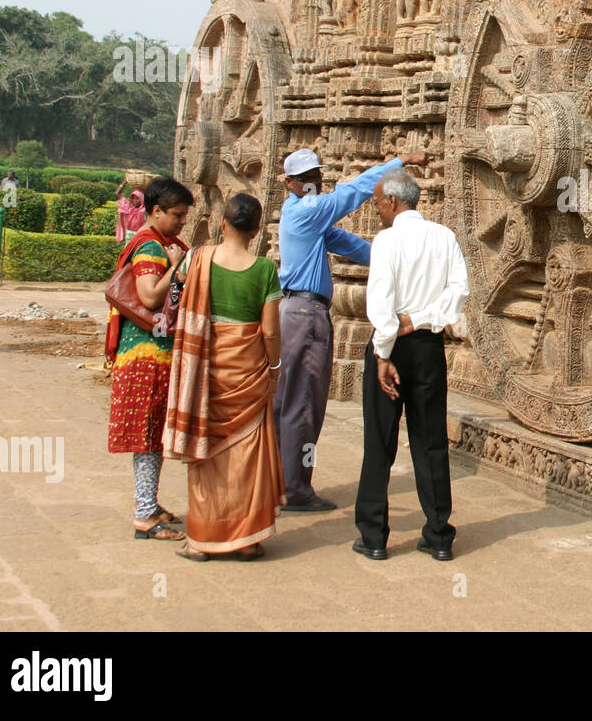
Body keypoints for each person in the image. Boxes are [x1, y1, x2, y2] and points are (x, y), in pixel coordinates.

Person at [275, 145, 430, 512]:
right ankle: (295, 489)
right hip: (305, 314)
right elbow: (355, 191)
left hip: (297, 312)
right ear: (289, 183)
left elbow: (350, 245)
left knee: (290, 400)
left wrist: (397, 254)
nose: (314, 183)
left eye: (317, 176)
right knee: (304, 404)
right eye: (305, 178)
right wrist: (400, 162)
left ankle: (280, 480)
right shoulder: (307, 211)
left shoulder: (305, 218)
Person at [164, 193, 286, 561]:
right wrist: (274, 368)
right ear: (256, 230)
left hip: (203, 367)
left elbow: (175, 290)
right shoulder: (264, 269)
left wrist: (175, 263)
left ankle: (201, 539)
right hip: (247, 369)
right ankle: (245, 539)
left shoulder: (197, 258)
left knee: (205, 452)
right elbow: (269, 331)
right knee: (247, 454)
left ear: (223, 223)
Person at [354, 169, 468, 561]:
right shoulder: (444, 237)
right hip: (427, 346)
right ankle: (438, 535)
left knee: (379, 442)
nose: (377, 211)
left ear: (393, 201)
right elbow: (459, 292)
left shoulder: (387, 241)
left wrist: (383, 354)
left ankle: (373, 536)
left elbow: (381, 301)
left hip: (393, 347)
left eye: (377, 203)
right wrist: (421, 320)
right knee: (430, 440)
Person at [105, 177, 193, 541]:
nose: (181, 223)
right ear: (156, 211)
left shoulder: (158, 243)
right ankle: (144, 514)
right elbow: (150, 296)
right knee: (145, 434)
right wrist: (176, 267)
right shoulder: (152, 248)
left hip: (150, 352)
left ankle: (149, 504)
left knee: (152, 432)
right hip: (146, 355)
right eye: (177, 215)